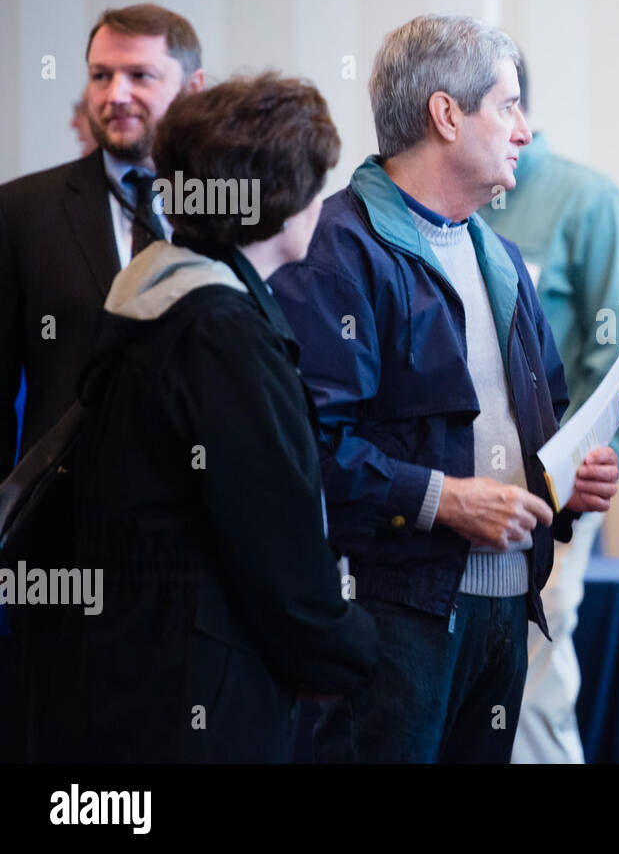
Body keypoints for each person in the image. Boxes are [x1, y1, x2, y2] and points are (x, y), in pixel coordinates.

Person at [269, 15, 619, 763]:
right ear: (446, 113)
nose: (525, 129)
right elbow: (314, 452)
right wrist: (447, 499)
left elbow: (540, 419)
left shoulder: (498, 255)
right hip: (396, 614)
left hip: (504, 613)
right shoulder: (339, 249)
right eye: (508, 105)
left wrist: (567, 480)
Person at [29, 72, 380, 762]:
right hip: (203, 699)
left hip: (137, 677)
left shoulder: (156, 289)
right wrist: (357, 646)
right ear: (279, 200)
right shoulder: (222, 332)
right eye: (317, 181)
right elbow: (276, 546)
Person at [0, 3, 203, 761]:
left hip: (196, 552)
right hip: (59, 552)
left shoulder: (233, 212)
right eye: (100, 74)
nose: (116, 91)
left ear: (192, 85)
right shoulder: (22, 211)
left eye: (141, 75)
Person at [478, 52, 619, 764]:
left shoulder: (587, 202)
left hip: (552, 504)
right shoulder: (437, 205)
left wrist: (566, 496)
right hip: (461, 504)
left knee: (536, 701)